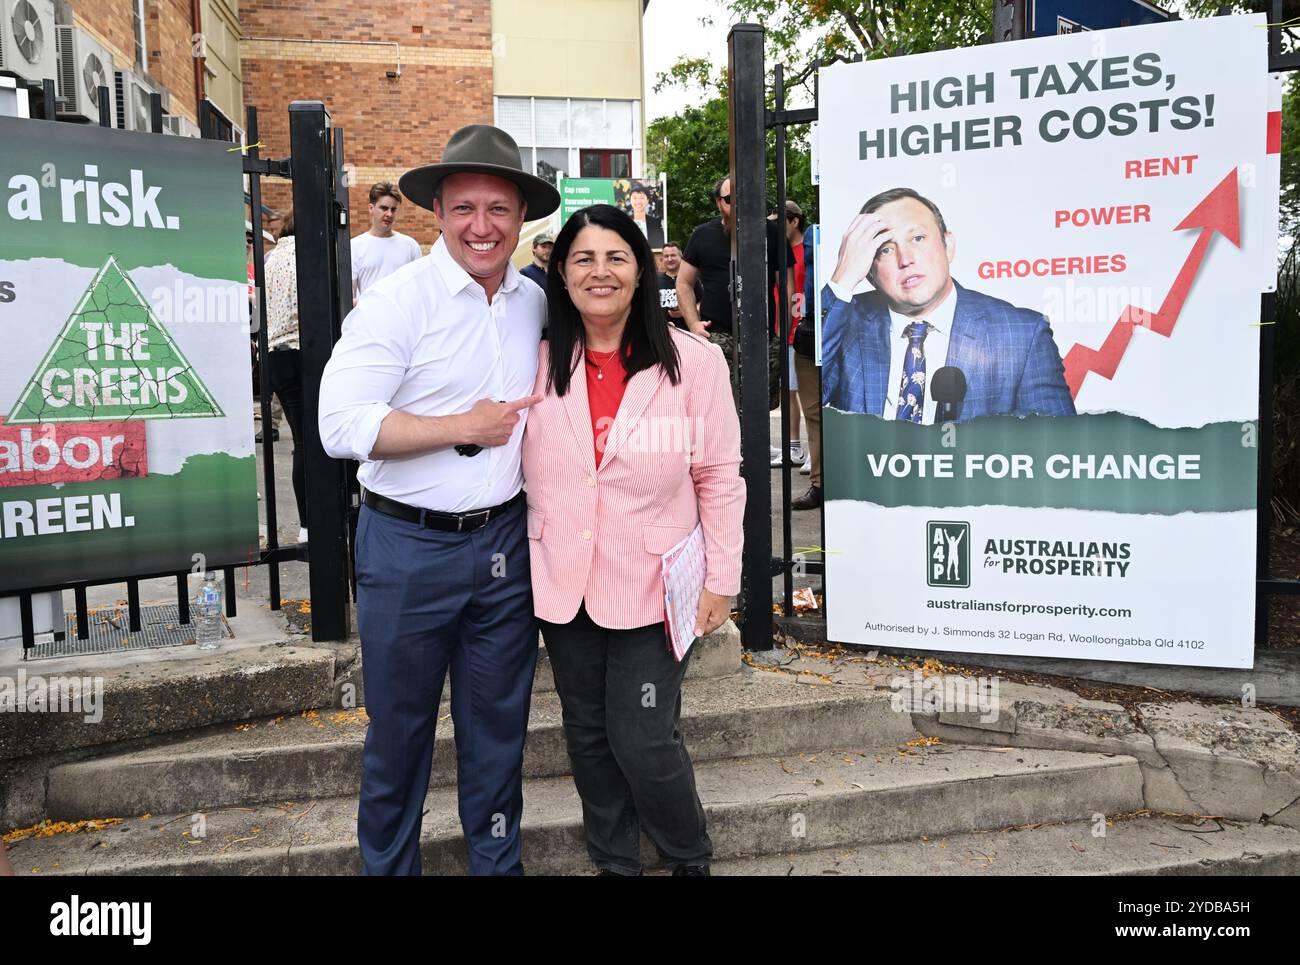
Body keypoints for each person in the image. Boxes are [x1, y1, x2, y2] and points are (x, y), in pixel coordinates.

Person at [318, 124, 558, 875]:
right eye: (464, 208)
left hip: (504, 547)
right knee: (398, 736)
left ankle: (497, 867)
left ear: (521, 217)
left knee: (498, 733)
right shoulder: (399, 301)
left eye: (497, 209)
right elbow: (338, 424)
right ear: (439, 213)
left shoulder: (535, 302)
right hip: (406, 548)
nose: (481, 226)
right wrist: (466, 427)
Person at [522, 203, 744, 876]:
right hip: (565, 581)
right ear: (561, 272)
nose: (600, 271)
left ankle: (689, 856)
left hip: (655, 583)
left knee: (643, 734)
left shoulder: (694, 363)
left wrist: (722, 579)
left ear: (643, 270)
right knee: (587, 735)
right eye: (583, 258)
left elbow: (718, 476)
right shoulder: (531, 363)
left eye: (616, 256)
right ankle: (614, 861)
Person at [822, 187, 1075, 422]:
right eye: (885, 250)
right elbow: (812, 401)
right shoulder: (843, 324)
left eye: (918, 238)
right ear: (869, 272)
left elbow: (1056, 449)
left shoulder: (1022, 335)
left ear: (948, 246)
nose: (905, 259)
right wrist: (842, 279)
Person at [677, 176, 792, 392]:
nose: (738, 205)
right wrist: (693, 324)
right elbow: (683, 283)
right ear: (718, 202)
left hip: (762, 335)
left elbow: (787, 286)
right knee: (719, 404)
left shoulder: (774, 234)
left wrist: (780, 333)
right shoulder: (703, 235)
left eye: (744, 198)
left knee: (760, 408)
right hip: (717, 335)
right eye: (730, 199)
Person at [262, 208, 308, 542]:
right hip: (302, 350)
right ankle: (316, 520)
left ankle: (307, 525)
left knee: (300, 442)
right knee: (314, 442)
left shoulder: (270, 260)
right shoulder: (307, 256)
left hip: (275, 355)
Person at [770, 200, 808, 475]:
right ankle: (793, 445)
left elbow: (798, 293)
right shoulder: (778, 249)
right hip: (783, 328)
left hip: (801, 329)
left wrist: (793, 325)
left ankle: (802, 447)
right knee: (789, 390)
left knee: (803, 391)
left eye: (778, 222)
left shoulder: (807, 250)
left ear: (794, 220)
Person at [791, 221, 823, 510]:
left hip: (849, 322)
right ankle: (820, 484)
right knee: (813, 411)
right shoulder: (815, 232)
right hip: (811, 327)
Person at [351, 182, 422, 302]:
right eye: (384, 208)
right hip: (370, 317)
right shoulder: (354, 246)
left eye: (393, 209)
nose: (389, 214)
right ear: (371, 208)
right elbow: (350, 297)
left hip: (402, 318)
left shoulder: (410, 246)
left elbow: (419, 289)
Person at [657, 240, 700, 329]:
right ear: (662, 259)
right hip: (662, 333)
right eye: (666, 256)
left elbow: (702, 303)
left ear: (681, 257)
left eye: (673, 255)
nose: (669, 259)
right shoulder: (655, 281)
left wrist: (686, 310)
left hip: (688, 332)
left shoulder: (691, 279)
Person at [627, 183, 664, 248]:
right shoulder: (625, 222)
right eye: (635, 198)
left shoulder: (655, 223)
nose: (638, 201)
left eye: (642, 198)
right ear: (630, 200)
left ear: (647, 200)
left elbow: (659, 245)